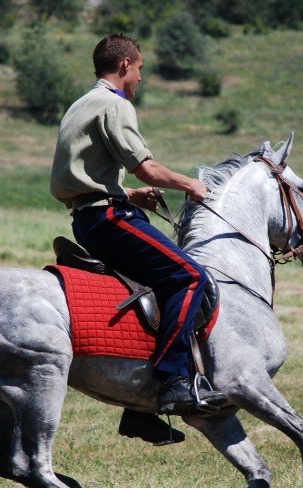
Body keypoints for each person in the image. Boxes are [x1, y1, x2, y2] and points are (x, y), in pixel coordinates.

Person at [49, 33, 226, 439]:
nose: (141, 78)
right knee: (191, 277)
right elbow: (146, 166)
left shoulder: (81, 104)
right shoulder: (115, 104)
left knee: (160, 283)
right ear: (126, 64)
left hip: (89, 217)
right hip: (109, 219)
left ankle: (138, 408)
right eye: (140, 68)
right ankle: (173, 383)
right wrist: (191, 185)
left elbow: (77, 179)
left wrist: (129, 193)